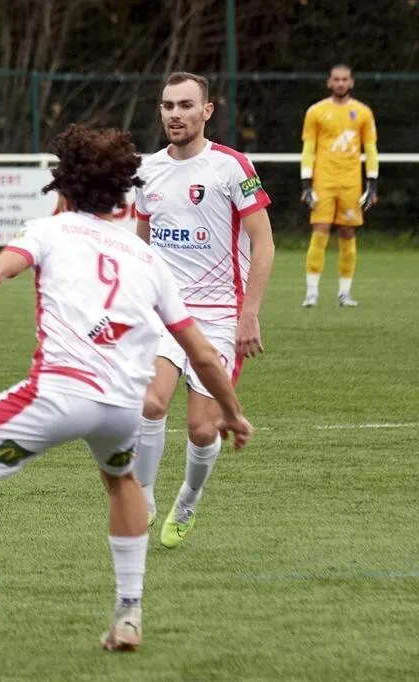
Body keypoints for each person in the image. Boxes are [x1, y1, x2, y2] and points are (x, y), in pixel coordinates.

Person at [0, 125, 254, 650]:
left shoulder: (48, 231)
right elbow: (203, 353)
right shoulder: (147, 259)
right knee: (121, 482)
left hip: (59, 396)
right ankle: (128, 613)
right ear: (122, 189)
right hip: (123, 408)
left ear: (63, 185)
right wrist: (232, 411)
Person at [132, 72, 274, 549]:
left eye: (186, 105)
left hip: (219, 314)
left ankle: (188, 500)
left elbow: (264, 241)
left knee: (200, 426)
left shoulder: (232, 167)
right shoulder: (147, 170)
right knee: (150, 403)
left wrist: (249, 314)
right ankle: (144, 498)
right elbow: (143, 244)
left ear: (206, 111)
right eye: (168, 105)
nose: (175, 113)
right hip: (165, 312)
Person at [300, 64, 379, 308]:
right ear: (329, 82)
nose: (341, 83)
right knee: (319, 231)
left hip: (351, 183)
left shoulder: (363, 112)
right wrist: (306, 183)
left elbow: (371, 149)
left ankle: (345, 293)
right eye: (336, 79)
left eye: (345, 79)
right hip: (324, 181)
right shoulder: (316, 111)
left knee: (347, 233)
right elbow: (309, 149)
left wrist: (372, 185)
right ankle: (311, 292)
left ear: (351, 82)